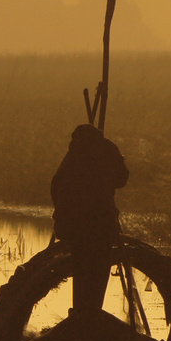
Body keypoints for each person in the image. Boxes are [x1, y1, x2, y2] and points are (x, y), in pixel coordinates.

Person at [50, 123, 129, 316]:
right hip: (102, 225)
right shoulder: (108, 148)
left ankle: (81, 313)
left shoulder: (74, 154)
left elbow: (56, 185)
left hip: (79, 227)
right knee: (98, 271)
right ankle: (91, 313)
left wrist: (62, 218)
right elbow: (122, 179)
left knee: (81, 270)